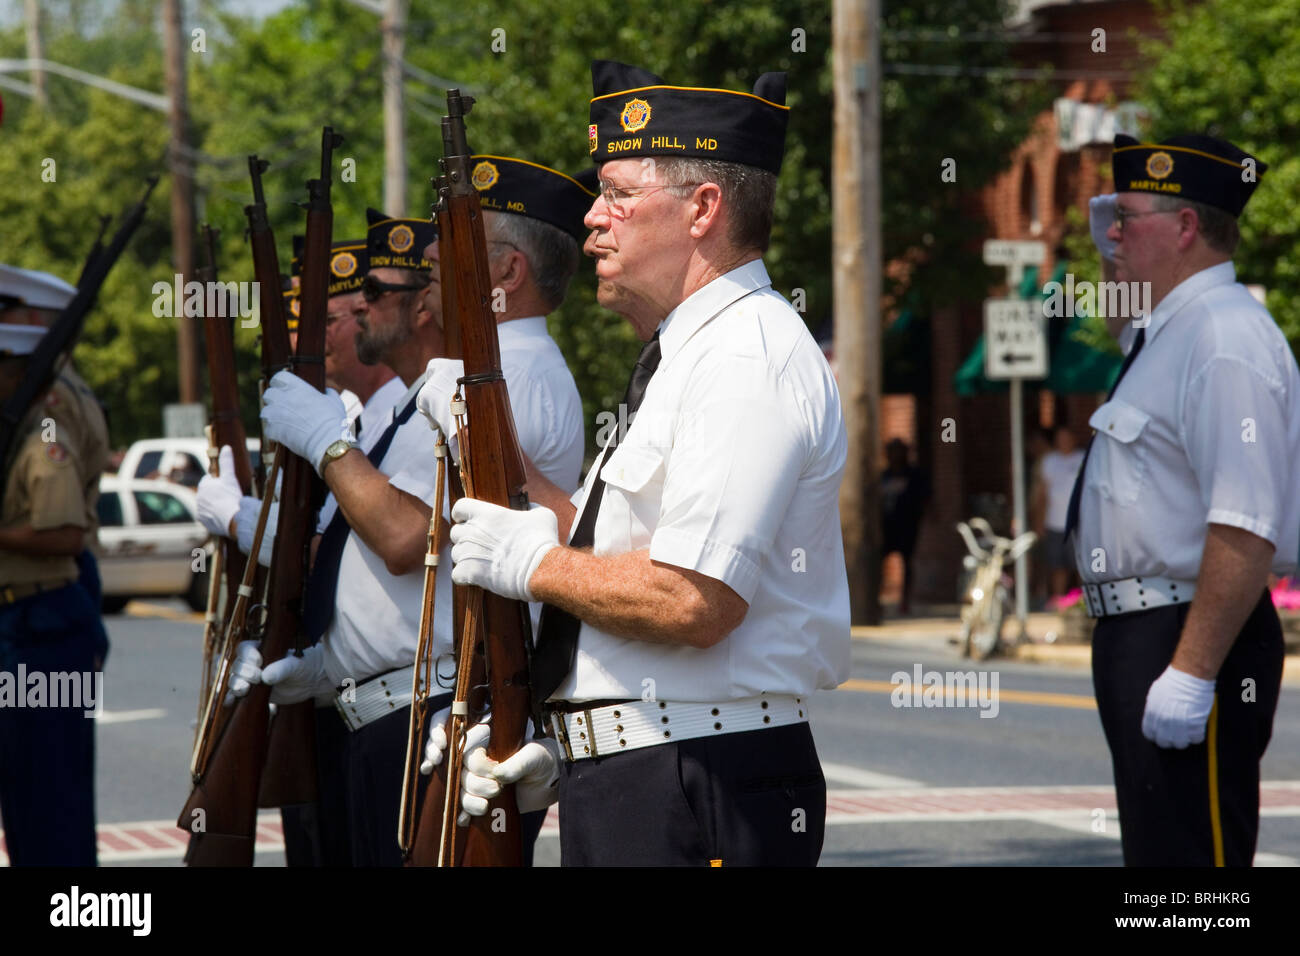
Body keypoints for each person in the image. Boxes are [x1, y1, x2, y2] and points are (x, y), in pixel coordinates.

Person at [442, 60, 850, 866]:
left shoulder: (743, 355)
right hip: (653, 768)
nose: (593, 219)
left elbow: (694, 600)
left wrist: (531, 561)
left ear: (703, 209)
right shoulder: (690, 355)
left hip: (699, 776)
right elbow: (617, 550)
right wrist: (571, 737)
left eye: (619, 194)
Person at [1068, 135, 1299, 866]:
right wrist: (1118, 225)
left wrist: (1195, 671)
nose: (1111, 230)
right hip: (1146, 632)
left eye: (1127, 217)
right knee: (1162, 860)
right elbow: (1115, 310)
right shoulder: (1168, 329)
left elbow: (1246, 523)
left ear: (1187, 229)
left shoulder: (1225, 336)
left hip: (1189, 632)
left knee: (1197, 868)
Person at [0, 267, 111, 865]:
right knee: (35, 798)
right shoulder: (57, 386)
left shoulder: (47, 400)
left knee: (47, 804)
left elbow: (62, 528)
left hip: (43, 608)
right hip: (42, 606)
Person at [1032, 425, 1083, 600]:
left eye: (1067, 438)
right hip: (1054, 523)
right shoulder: (1049, 461)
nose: (1064, 442)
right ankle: (1059, 600)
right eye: (1060, 438)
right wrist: (1039, 523)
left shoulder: (1082, 458)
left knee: (1082, 565)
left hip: (1079, 523)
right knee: (1057, 565)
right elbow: (1042, 494)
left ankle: (1083, 601)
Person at [880, 438, 928, 615]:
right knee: (879, 563)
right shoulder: (884, 476)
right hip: (886, 527)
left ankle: (905, 601)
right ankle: (878, 598)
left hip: (907, 526)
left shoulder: (914, 476)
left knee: (907, 563)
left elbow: (923, 499)